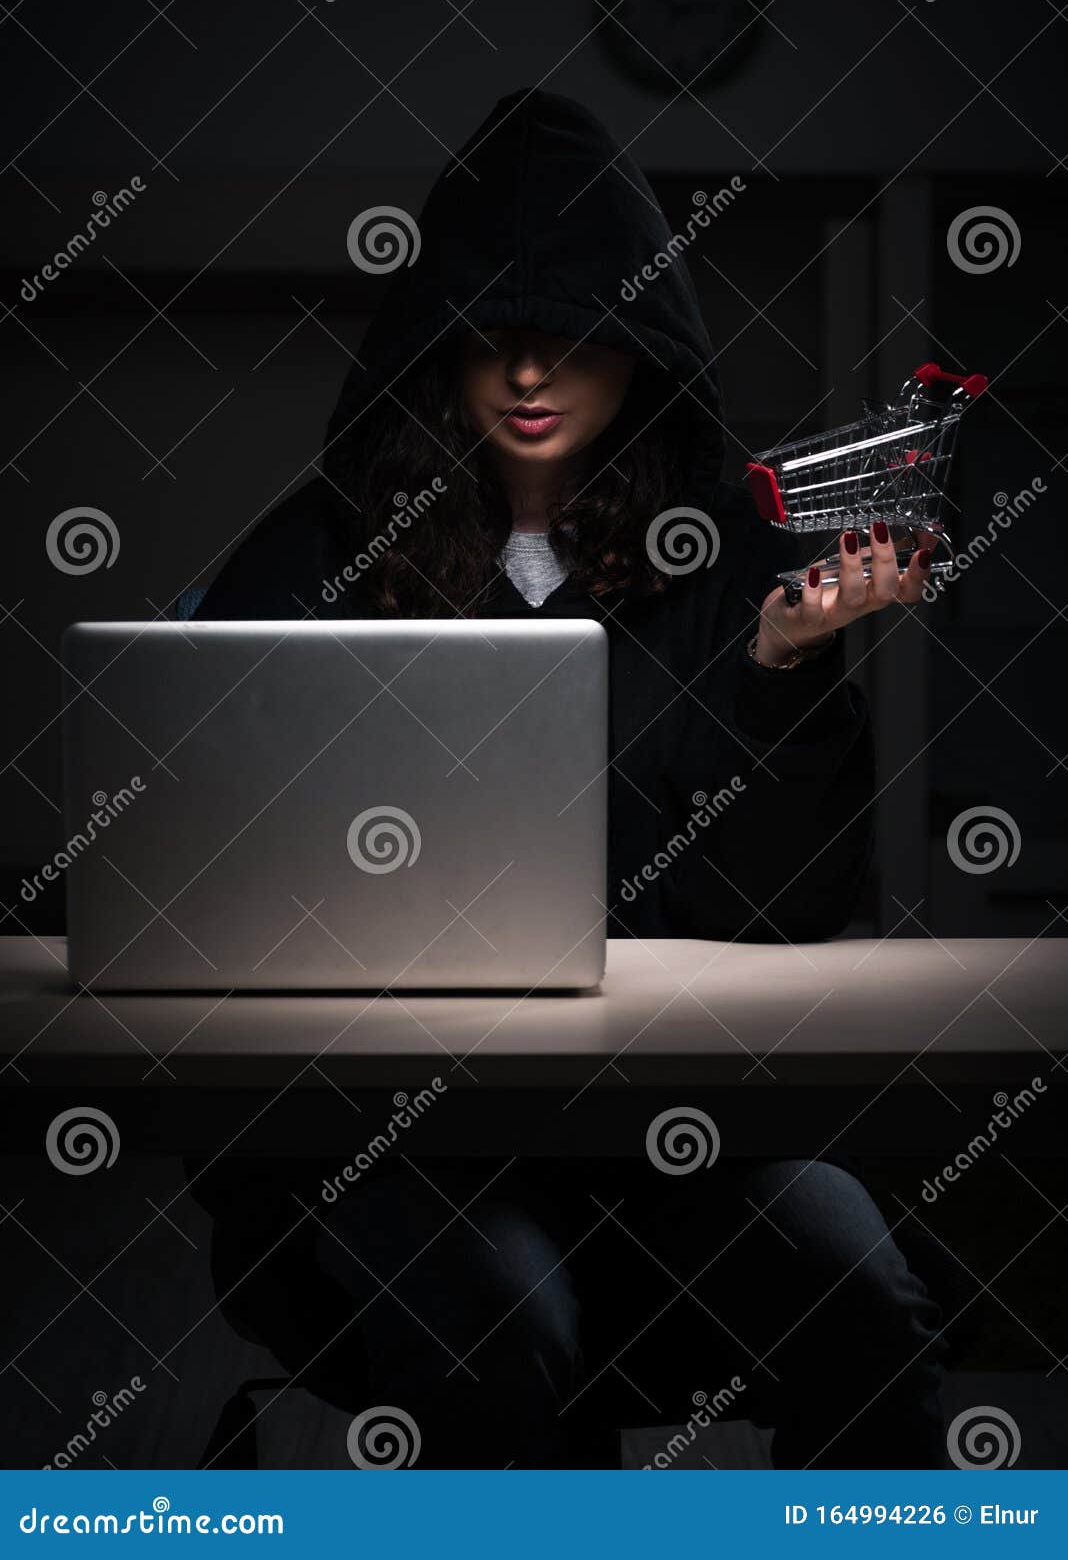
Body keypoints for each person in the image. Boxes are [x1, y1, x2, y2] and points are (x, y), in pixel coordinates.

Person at [187, 90, 950, 1468]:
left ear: (641, 351)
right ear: (438, 346)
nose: (531, 374)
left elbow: (784, 909)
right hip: (407, 1135)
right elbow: (189, 851)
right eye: (495, 336)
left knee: (857, 1281)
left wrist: (780, 677)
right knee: (504, 1317)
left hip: (671, 1134)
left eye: (577, 337)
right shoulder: (316, 562)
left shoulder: (726, 568)